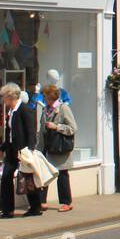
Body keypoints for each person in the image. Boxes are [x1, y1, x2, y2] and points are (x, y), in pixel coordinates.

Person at [0, 83, 39, 219]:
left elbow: (31, 132)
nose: (3, 100)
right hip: (11, 150)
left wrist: (30, 150)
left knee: (27, 179)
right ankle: (7, 210)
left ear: (10, 96)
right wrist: (1, 148)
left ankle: (35, 207)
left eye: (4, 97)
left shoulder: (24, 110)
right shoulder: (11, 111)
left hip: (23, 150)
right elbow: (10, 133)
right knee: (6, 177)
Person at [37, 83, 77, 213]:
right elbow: (41, 130)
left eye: (44, 96)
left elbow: (73, 128)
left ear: (49, 96)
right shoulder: (45, 109)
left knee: (62, 175)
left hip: (60, 148)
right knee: (45, 175)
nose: (43, 98)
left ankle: (66, 202)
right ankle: (42, 201)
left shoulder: (63, 108)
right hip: (48, 147)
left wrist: (57, 127)